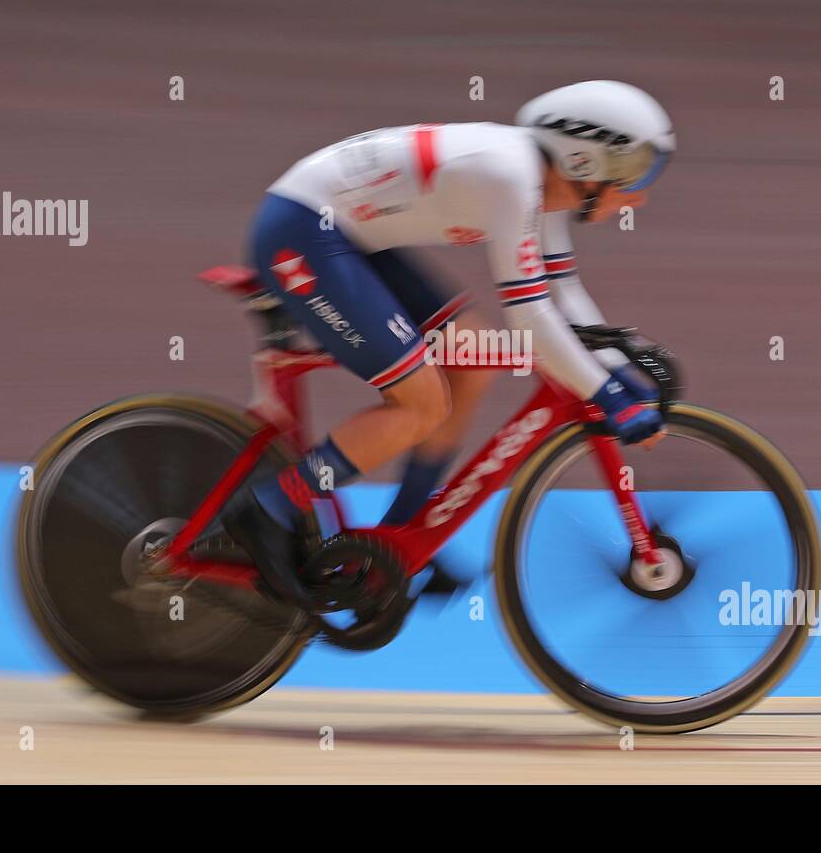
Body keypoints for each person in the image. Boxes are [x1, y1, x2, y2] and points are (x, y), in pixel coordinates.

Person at [222, 81, 676, 598]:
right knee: (420, 404)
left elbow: (565, 297)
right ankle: (270, 507)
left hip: (340, 233)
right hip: (303, 234)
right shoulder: (512, 179)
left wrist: (613, 371)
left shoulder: (543, 185)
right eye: (634, 171)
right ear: (584, 160)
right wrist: (608, 394)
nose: (639, 194)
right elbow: (530, 316)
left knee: (470, 357)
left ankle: (401, 537)